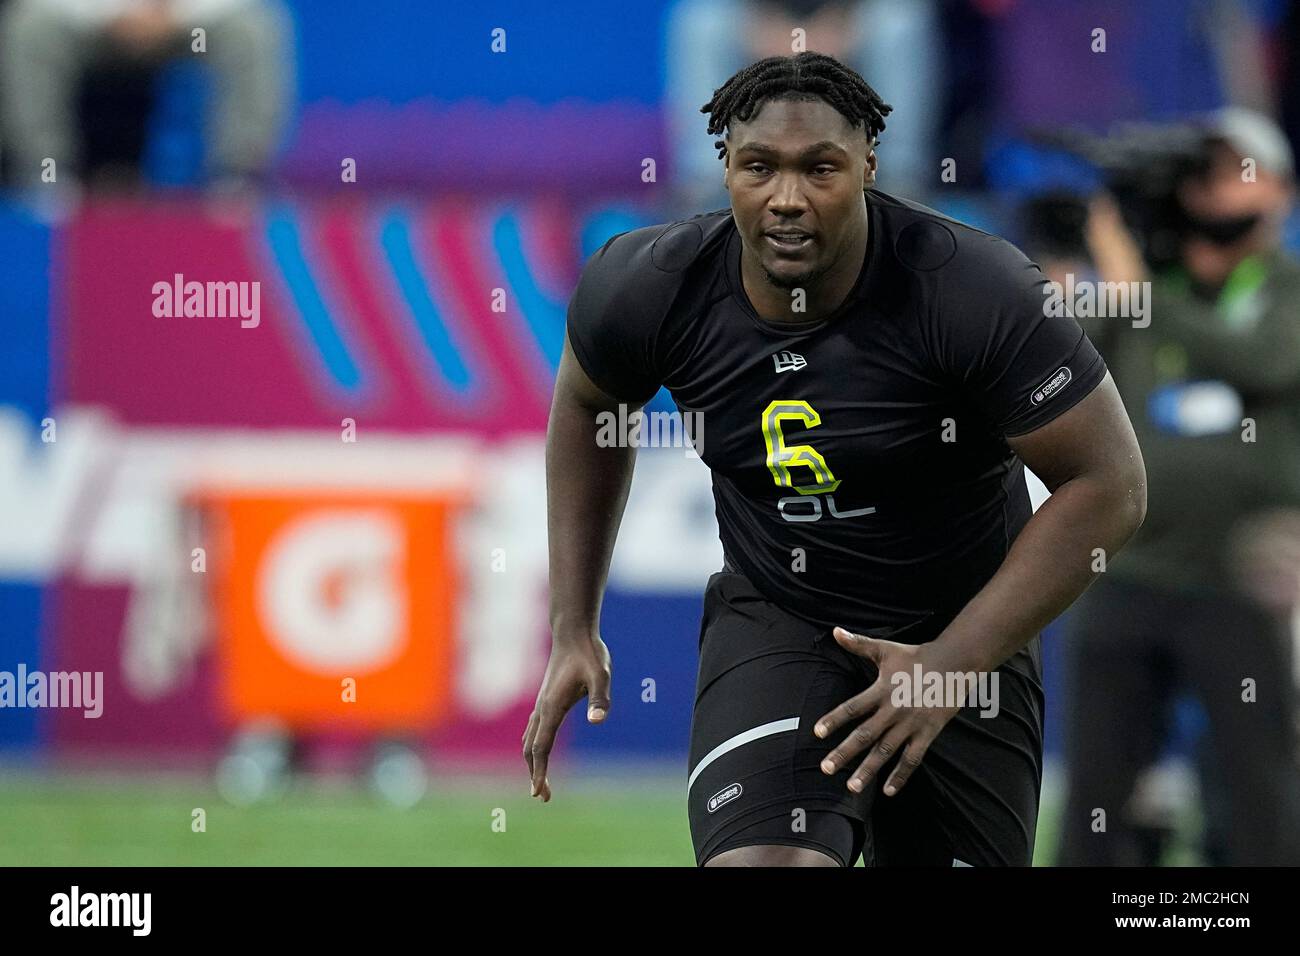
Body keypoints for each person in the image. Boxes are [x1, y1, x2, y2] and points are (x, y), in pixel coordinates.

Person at [527, 52, 1146, 867]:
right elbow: (584, 406)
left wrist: (948, 666)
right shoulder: (648, 285)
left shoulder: (971, 288)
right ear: (725, 168)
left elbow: (1111, 486)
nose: (787, 199)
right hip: (782, 620)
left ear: (868, 167)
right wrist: (575, 625)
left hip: (960, 631)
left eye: (820, 168)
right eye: (759, 168)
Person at [1056, 108, 1300, 866]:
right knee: (1097, 795)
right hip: (1125, 570)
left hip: (1245, 579)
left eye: (1234, 173)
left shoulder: (1285, 291)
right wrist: (1102, 286)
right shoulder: (1140, 290)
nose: (1213, 192)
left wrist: (1144, 295)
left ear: (1281, 194)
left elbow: (1266, 364)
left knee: (1257, 793)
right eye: (1202, 174)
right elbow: (1065, 371)